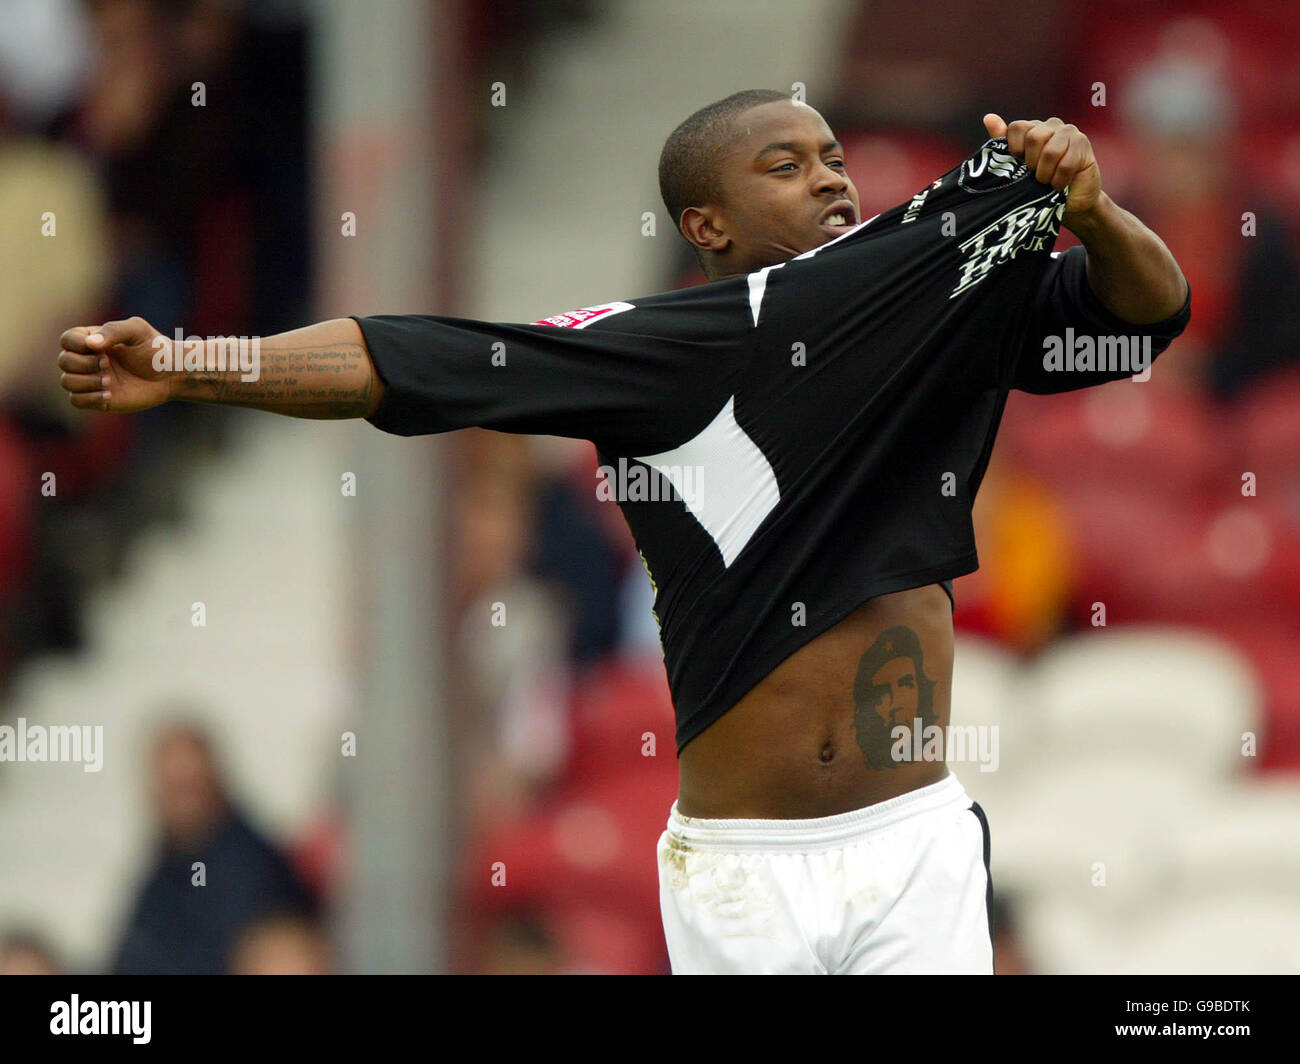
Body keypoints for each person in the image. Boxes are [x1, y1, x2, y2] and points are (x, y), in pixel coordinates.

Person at [56, 89, 1190, 974]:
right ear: (708, 224)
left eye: (835, 158)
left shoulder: (942, 310)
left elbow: (1142, 316)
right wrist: (196, 363)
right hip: (746, 868)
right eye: (784, 166)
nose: (831, 180)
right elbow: (397, 358)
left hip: (914, 840)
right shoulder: (655, 351)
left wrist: (1089, 210)